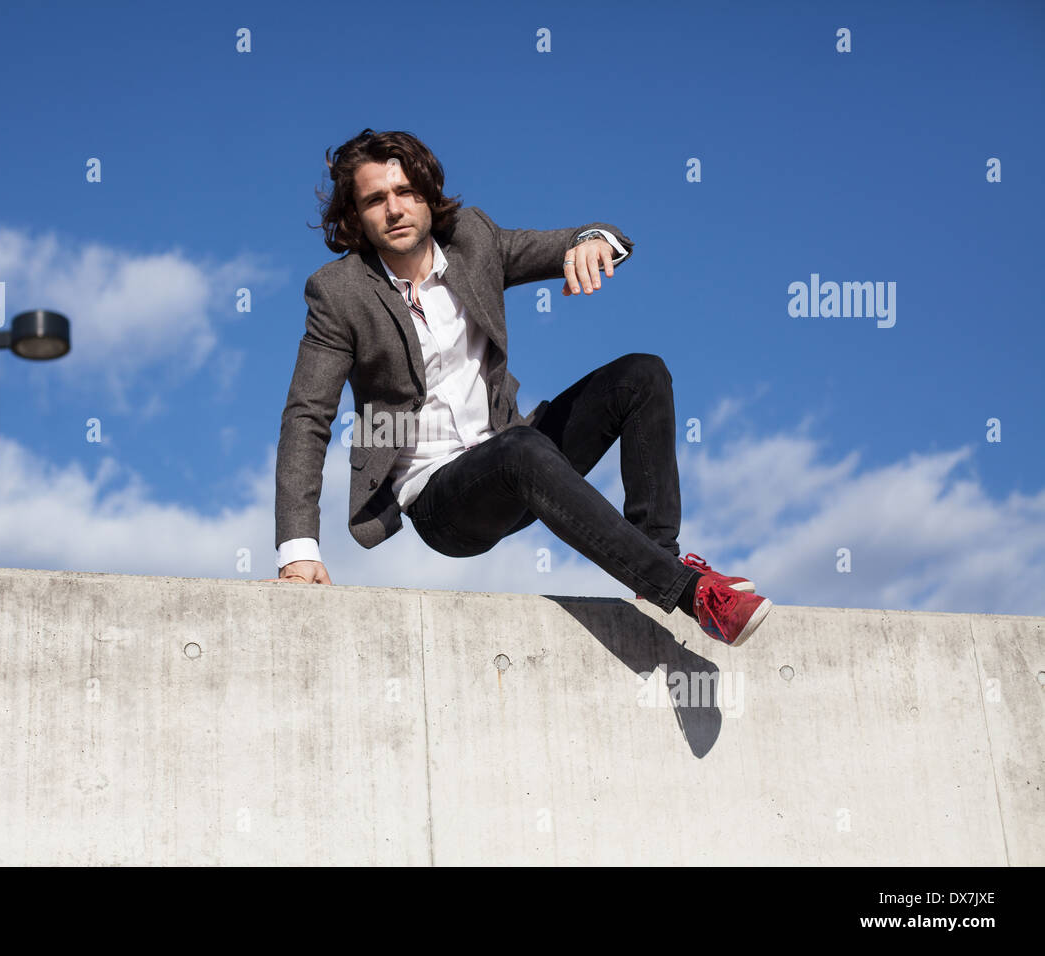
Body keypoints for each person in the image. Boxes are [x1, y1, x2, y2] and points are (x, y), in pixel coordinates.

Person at [269, 128, 771, 647]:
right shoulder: (339, 292)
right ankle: (693, 596)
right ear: (356, 214)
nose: (394, 209)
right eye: (376, 199)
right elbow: (307, 417)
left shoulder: (474, 241)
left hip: (520, 461)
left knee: (641, 375)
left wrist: (594, 242)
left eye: (406, 192)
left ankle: (658, 557)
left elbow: (582, 237)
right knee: (519, 449)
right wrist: (298, 550)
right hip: (444, 502)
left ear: (428, 196)